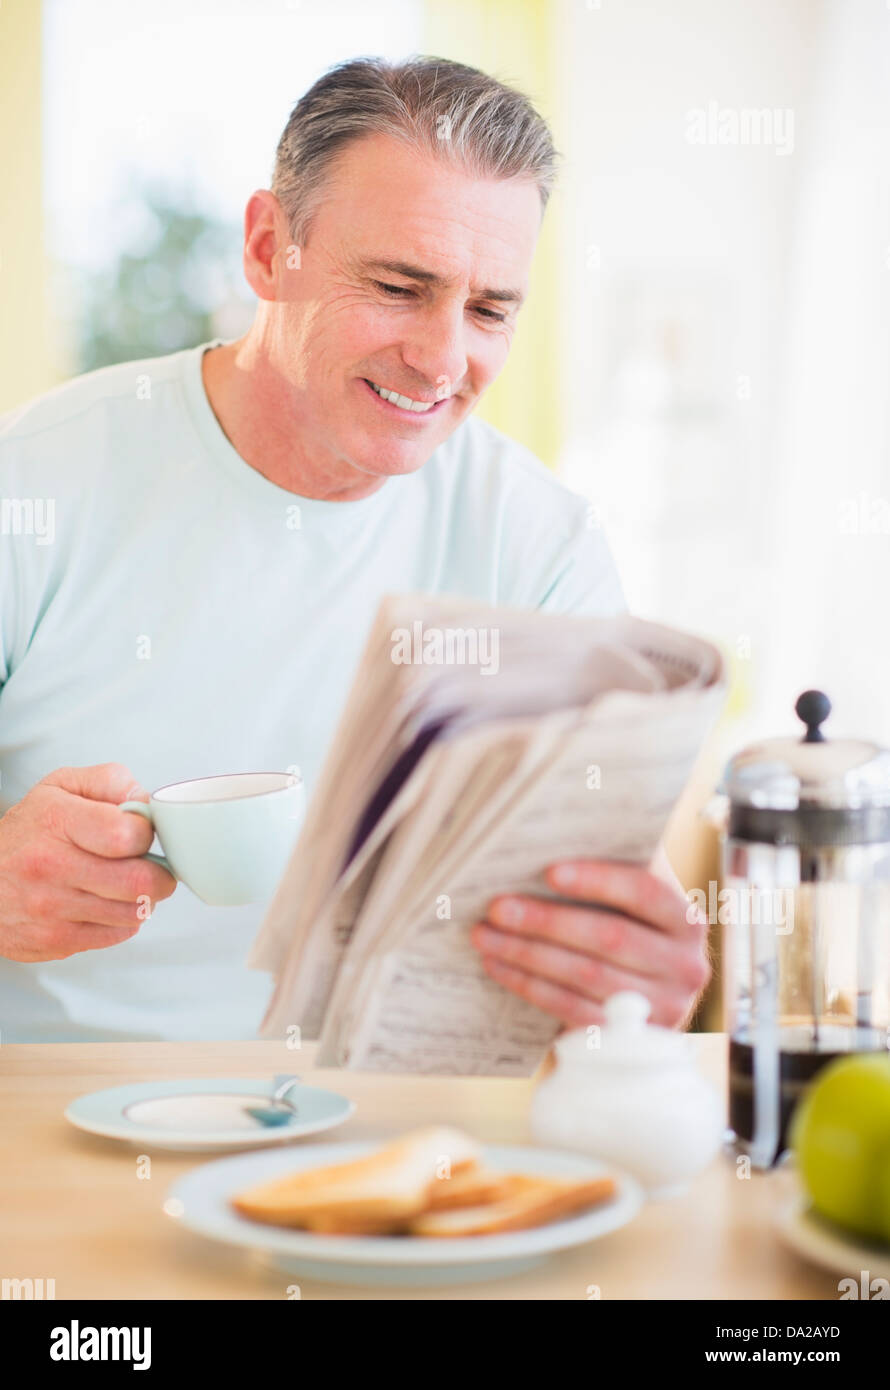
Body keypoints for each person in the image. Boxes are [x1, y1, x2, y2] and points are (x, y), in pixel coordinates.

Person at [0, 56, 708, 1044]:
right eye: (396, 285)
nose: (441, 357)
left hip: (403, 1139)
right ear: (265, 249)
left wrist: (633, 985)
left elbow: (618, 906)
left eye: (488, 309)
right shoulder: (33, 482)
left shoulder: (537, 542)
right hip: (52, 1124)